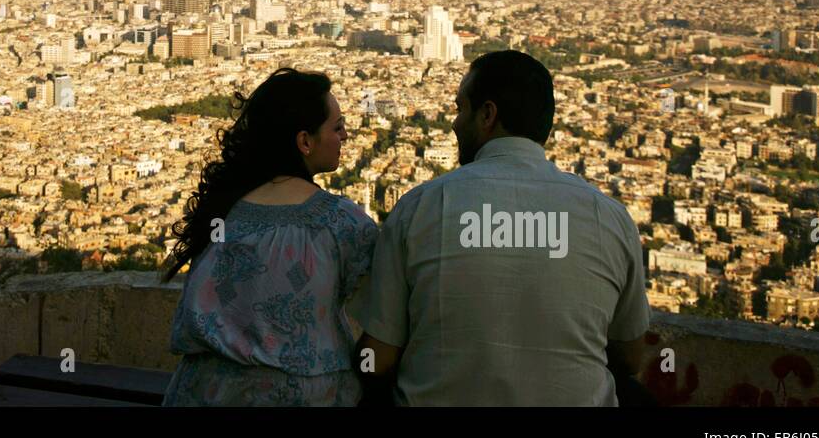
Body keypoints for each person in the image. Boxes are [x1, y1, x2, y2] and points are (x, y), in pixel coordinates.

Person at [356, 49, 651, 405]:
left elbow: (378, 359)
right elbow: (632, 357)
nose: (453, 122)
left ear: (487, 115)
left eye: (460, 108)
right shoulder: (610, 218)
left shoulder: (419, 208)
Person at [160, 67, 378, 406]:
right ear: (305, 142)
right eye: (337, 128)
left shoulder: (223, 210)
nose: (346, 136)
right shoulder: (341, 224)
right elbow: (383, 319)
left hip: (204, 394)